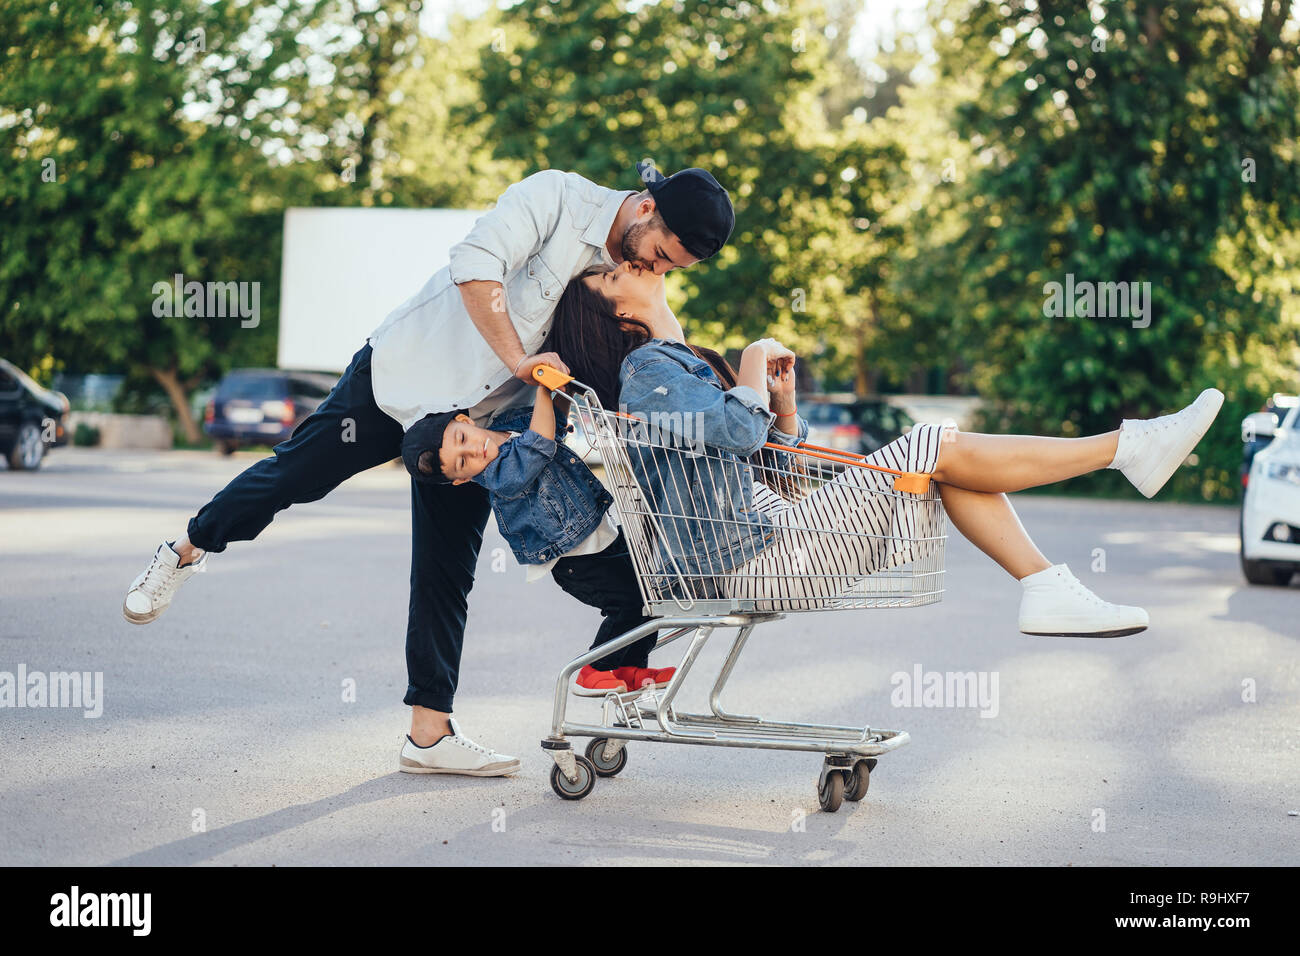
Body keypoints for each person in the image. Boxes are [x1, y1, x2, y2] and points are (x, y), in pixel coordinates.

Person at [119, 162, 734, 775]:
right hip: (406, 381)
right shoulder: (558, 198)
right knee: (293, 475)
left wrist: (658, 315)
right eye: (661, 255)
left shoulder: (635, 265)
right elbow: (475, 266)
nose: (657, 269)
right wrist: (519, 360)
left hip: (477, 431)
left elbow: (666, 354)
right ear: (647, 209)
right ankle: (186, 548)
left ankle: (428, 734)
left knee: (446, 568)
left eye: (671, 269)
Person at [543, 264, 1225, 633]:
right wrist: (752, 362)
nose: (628, 267)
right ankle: (1127, 448)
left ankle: (1047, 585)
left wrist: (784, 413)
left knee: (945, 458)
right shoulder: (648, 373)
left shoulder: (678, 368)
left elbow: (765, 470)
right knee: (931, 442)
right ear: (619, 313)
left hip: (781, 540)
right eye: (611, 275)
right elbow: (734, 433)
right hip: (757, 562)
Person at [397, 384, 675, 716]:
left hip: (599, 538)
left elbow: (553, 421)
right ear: (461, 481)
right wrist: (544, 384)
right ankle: (594, 670)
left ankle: (627, 668)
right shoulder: (501, 476)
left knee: (649, 597)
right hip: (576, 561)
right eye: (462, 464)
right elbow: (540, 444)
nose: (472, 453)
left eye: (462, 440)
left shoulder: (511, 421)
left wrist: (562, 387)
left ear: (464, 421)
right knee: (630, 602)